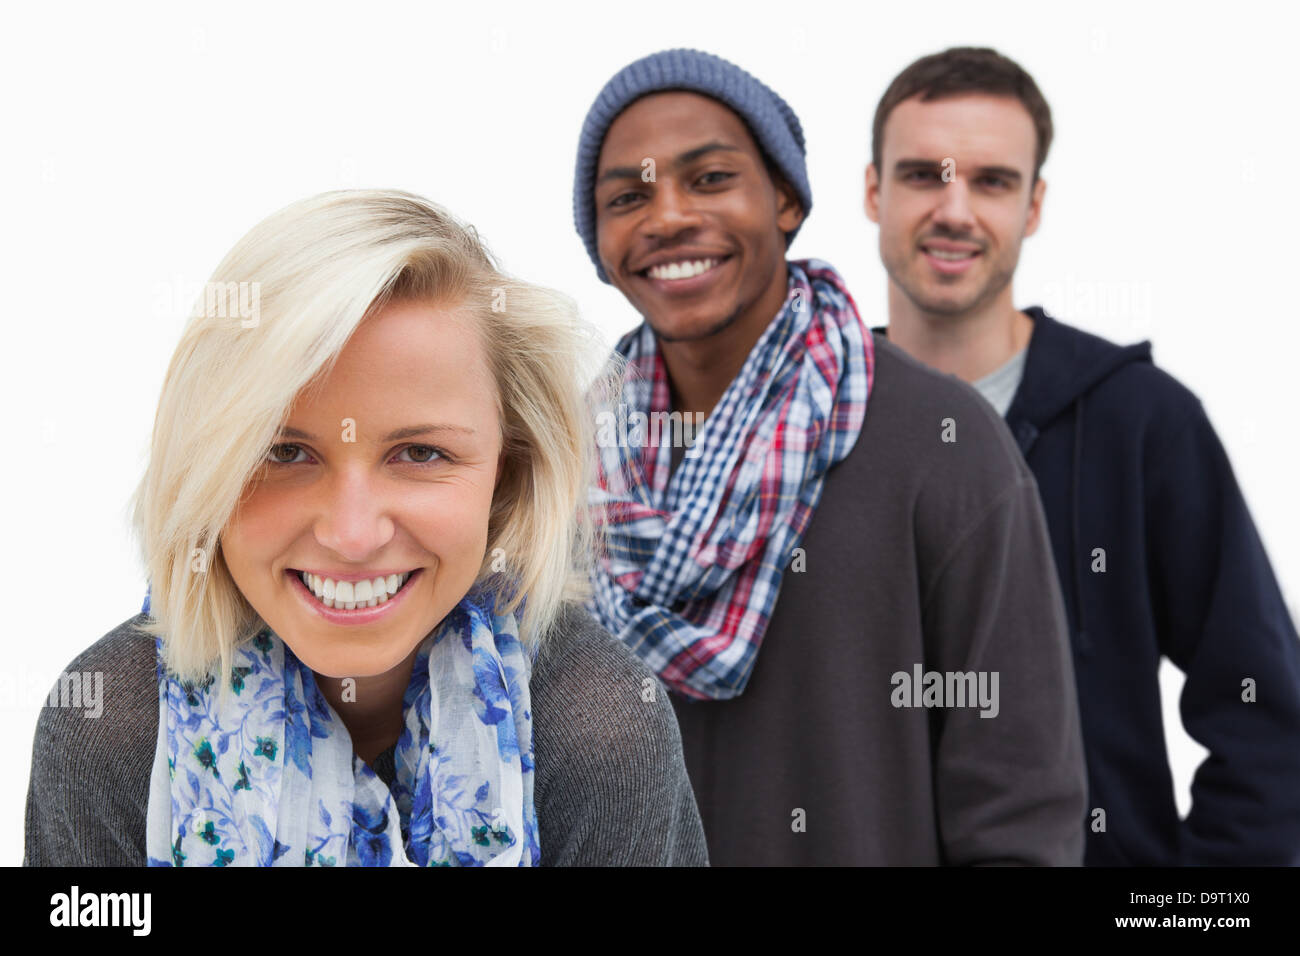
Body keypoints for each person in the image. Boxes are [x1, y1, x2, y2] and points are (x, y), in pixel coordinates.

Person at [24, 188, 708, 867]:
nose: (353, 536)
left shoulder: (598, 726)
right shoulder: (109, 726)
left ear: (509, 469)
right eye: (284, 453)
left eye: (420, 453)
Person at [573, 48, 1086, 865]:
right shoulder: (564, 464)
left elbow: (1019, 802)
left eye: (708, 179)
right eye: (627, 196)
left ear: (784, 196)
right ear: (600, 242)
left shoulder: (939, 442)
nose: (666, 215)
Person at [863, 46, 1300, 865]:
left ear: (1033, 205)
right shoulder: (807, 423)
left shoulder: (1143, 423)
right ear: (872, 192)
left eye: (991, 181)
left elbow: (1268, 719)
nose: (954, 210)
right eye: (924, 175)